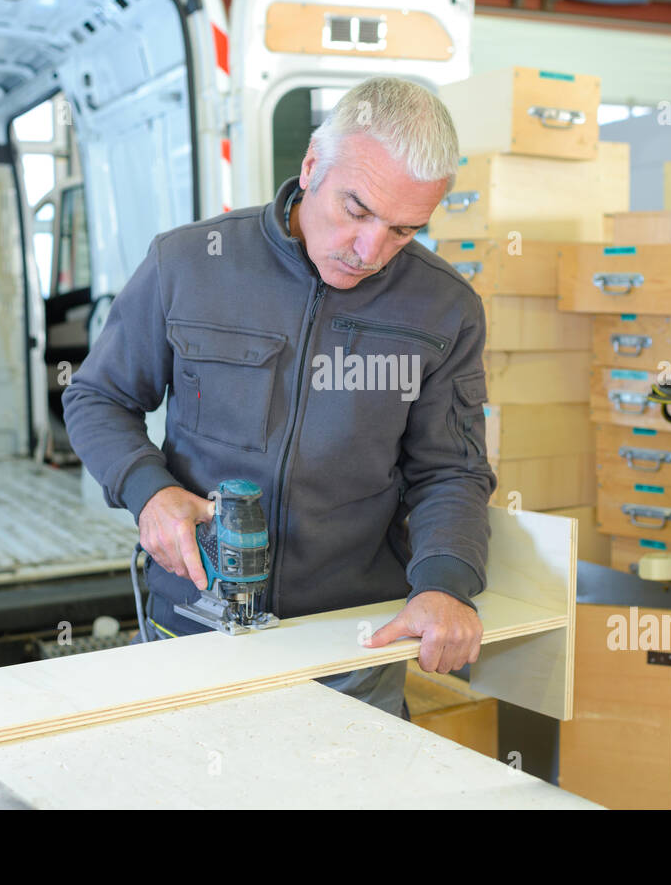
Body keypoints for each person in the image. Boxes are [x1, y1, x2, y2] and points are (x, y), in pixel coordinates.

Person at [61, 76, 496, 718]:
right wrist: (148, 491)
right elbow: (97, 397)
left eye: (405, 230)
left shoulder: (443, 308)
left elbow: (451, 470)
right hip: (193, 626)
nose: (371, 251)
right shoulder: (188, 263)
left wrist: (446, 585)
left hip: (349, 645)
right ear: (313, 165)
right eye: (357, 210)